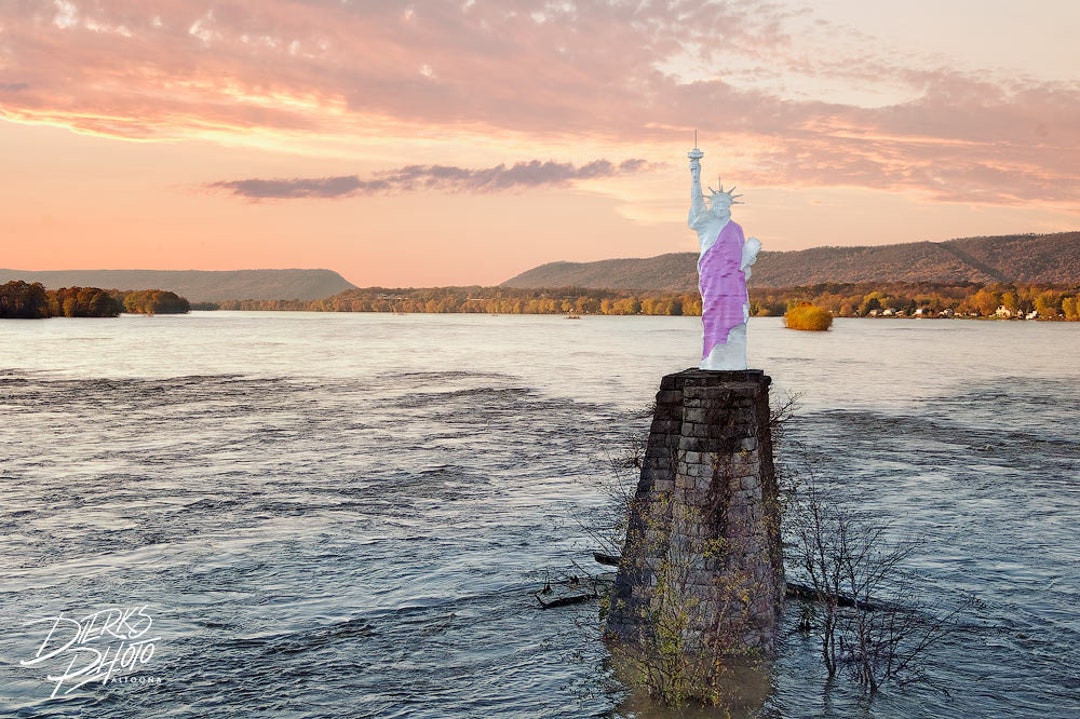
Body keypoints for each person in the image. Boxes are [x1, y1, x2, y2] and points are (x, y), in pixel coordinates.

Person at [688, 149, 761, 370]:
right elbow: (696, 201)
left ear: (729, 206)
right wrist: (695, 174)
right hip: (712, 276)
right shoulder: (706, 224)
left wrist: (749, 258)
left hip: (733, 281)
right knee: (711, 312)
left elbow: (742, 259)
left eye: (724, 205)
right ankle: (712, 355)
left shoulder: (736, 228)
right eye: (716, 205)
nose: (720, 208)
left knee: (735, 312)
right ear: (712, 206)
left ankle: (729, 354)